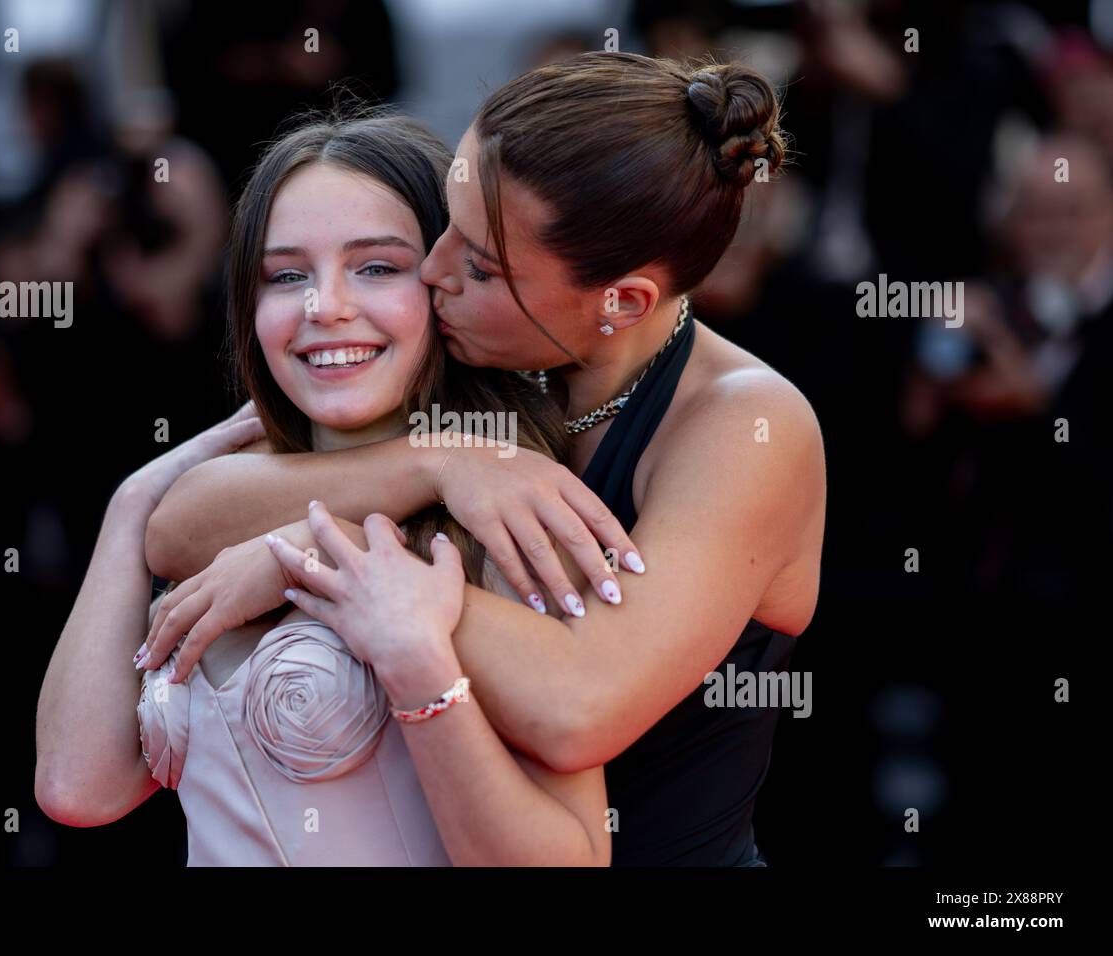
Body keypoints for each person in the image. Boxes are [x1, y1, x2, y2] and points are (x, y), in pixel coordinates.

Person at [145, 53, 827, 866]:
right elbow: (182, 525)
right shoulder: (488, 353)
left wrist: (325, 556)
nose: (431, 273)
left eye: (480, 265)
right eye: (445, 229)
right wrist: (436, 466)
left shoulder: (746, 422)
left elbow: (582, 703)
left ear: (623, 302)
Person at [36, 109, 611, 866]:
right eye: (287, 275)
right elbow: (80, 786)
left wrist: (419, 666)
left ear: (449, 278)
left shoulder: (501, 522)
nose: (324, 306)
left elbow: (570, 860)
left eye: (375, 266)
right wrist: (131, 504)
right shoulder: (215, 514)